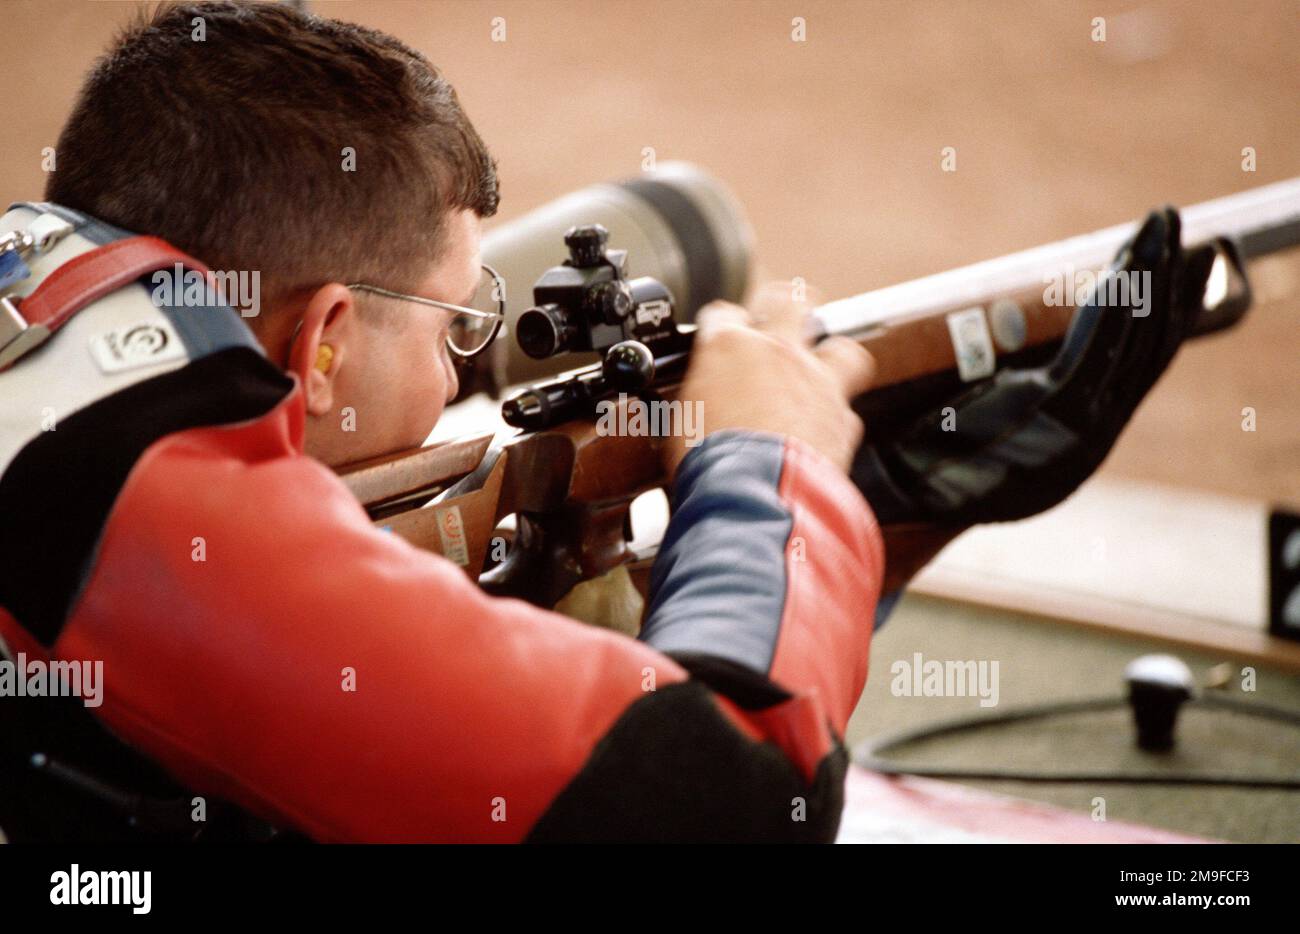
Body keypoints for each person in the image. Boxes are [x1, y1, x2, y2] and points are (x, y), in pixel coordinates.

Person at [0, 2, 1212, 842]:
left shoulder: (59, 330)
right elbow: (736, 808)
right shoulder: (166, 509)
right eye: (452, 327)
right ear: (321, 346)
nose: (469, 360)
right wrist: (772, 472)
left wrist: (876, 523)